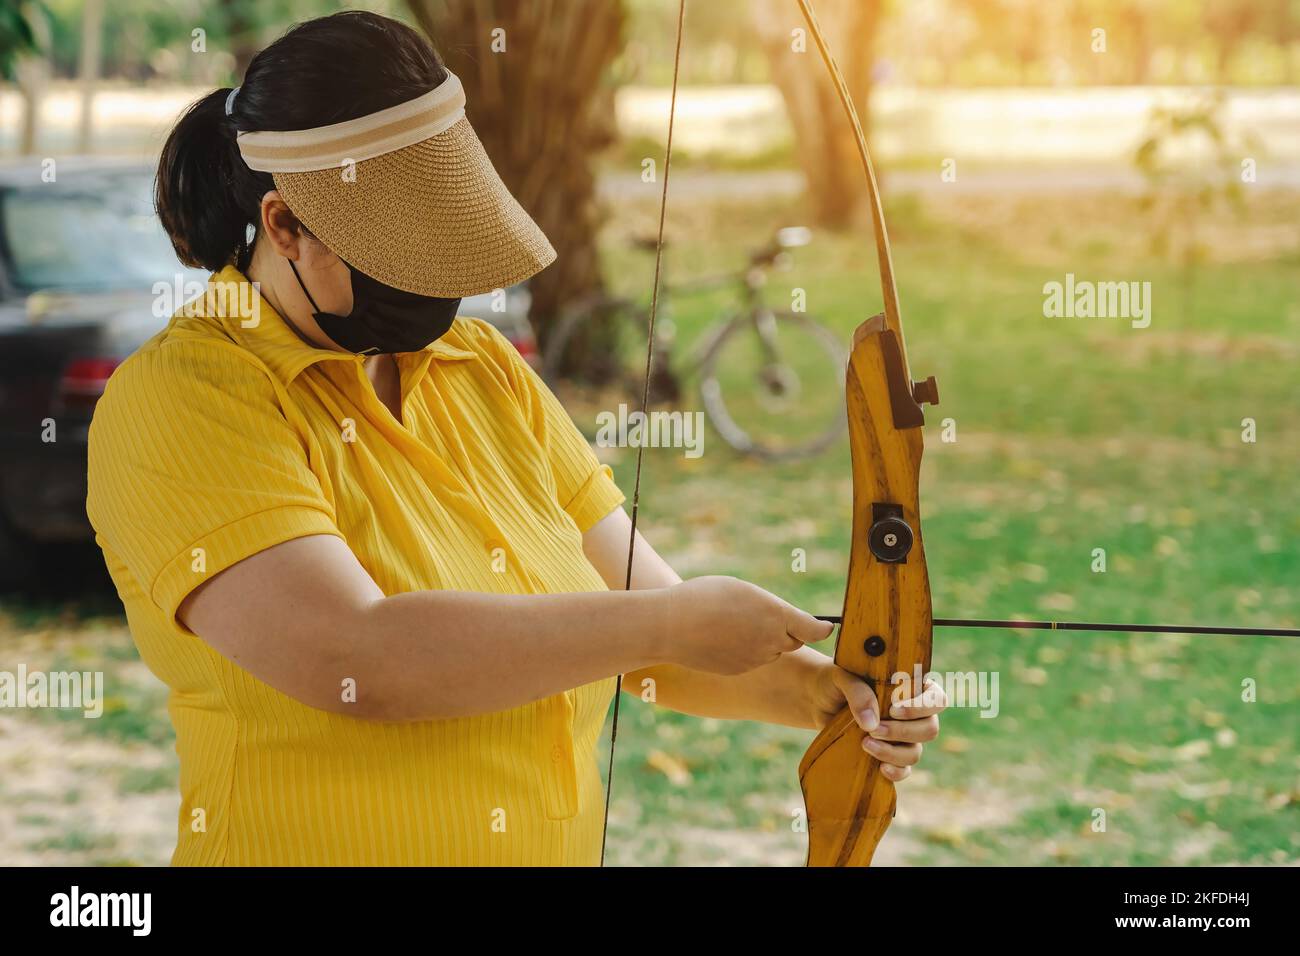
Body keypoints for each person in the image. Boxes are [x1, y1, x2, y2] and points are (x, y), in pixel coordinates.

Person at [86, 10, 944, 866]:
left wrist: (826, 695)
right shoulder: (183, 398)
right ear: (284, 226)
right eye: (401, 252)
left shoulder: (481, 366)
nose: (435, 280)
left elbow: (652, 637)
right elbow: (356, 657)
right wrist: (668, 623)